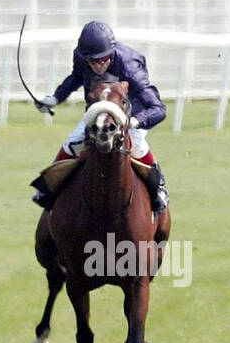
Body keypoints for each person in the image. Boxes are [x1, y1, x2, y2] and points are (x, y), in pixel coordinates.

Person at [30, 20, 169, 215]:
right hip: (99, 110)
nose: (99, 65)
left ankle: (159, 187)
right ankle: (49, 187)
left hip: (134, 112)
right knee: (72, 143)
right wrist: (55, 98)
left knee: (136, 145)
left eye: (104, 59)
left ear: (111, 54)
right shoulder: (81, 56)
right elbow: (76, 77)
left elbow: (158, 108)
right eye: (94, 61)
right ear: (85, 56)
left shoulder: (129, 65)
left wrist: (132, 122)